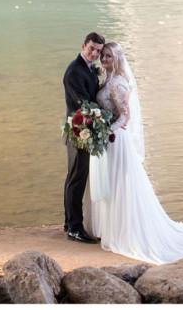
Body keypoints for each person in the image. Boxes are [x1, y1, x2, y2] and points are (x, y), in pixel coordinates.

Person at [84, 42, 183, 265]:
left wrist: (106, 131)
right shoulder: (106, 79)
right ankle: (108, 229)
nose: (104, 59)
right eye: (104, 55)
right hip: (108, 140)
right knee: (110, 183)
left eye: (109, 56)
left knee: (120, 184)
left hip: (116, 140)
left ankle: (125, 231)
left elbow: (125, 116)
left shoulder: (118, 83)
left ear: (117, 59)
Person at [63, 31, 105, 243]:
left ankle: (71, 223)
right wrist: (105, 114)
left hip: (85, 129)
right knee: (76, 179)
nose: (94, 54)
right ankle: (74, 227)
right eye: (91, 49)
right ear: (83, 46)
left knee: (78, 177)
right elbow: (83, 102)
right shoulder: (74, 71)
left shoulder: (88, 68)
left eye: (98, 51)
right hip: (78, 131)